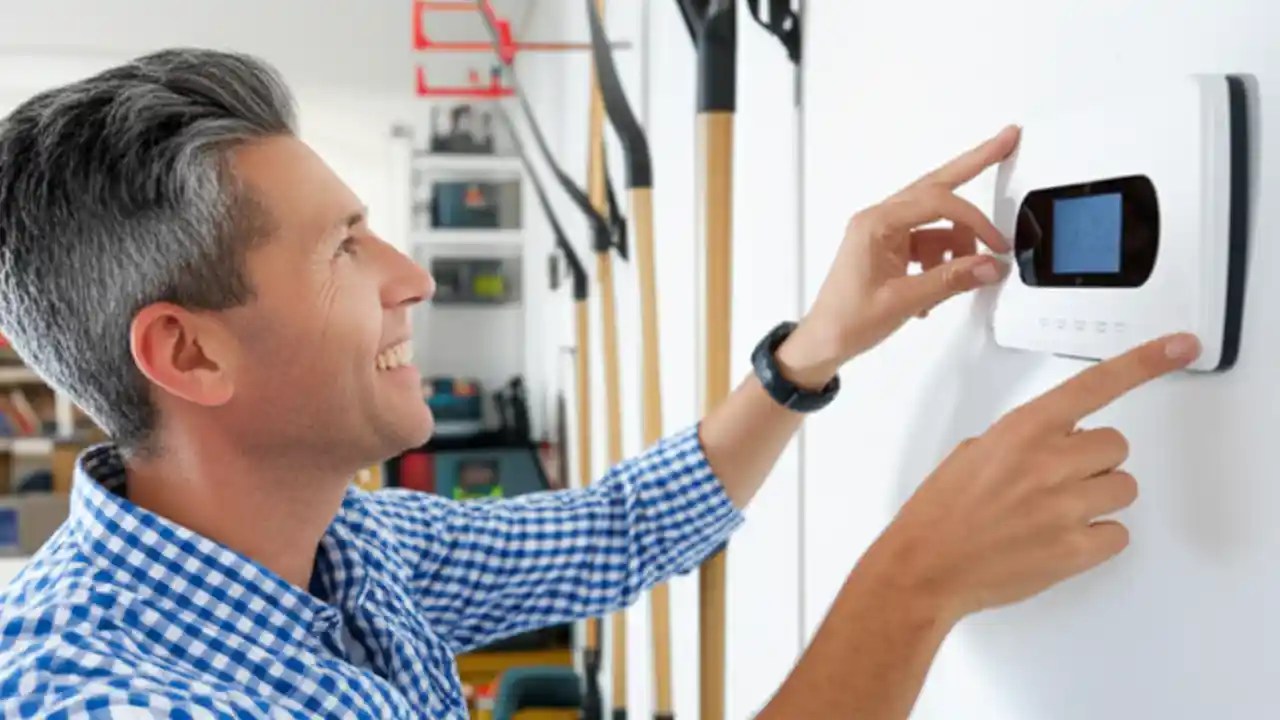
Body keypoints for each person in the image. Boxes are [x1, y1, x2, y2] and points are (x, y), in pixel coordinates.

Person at [0, 49, 1199, 719]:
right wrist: (916, 580)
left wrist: (803, 359)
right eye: (343, 248)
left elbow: (619, 530)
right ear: (190, 354)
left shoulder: (344, 545)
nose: (410, 279)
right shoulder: (110, 701)